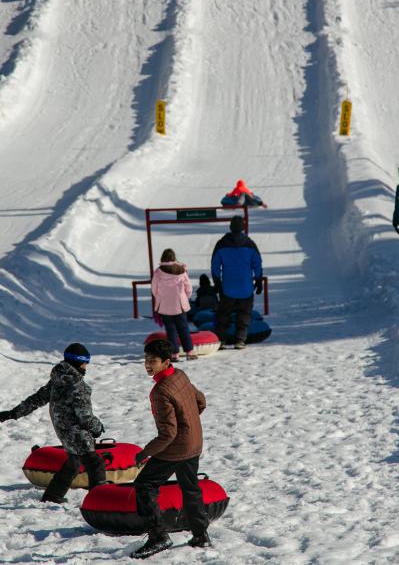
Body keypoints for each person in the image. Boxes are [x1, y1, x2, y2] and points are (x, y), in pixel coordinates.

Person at [0, 343, 106, 504]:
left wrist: (14, 412)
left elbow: (38, 398)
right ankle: (99, 502)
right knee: (95, 465)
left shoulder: (57, 379)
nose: (86, 366)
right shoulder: (77, 386)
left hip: (62, 431)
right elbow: (85, 417)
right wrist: (97, 428)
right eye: (85, 363)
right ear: (78, 362)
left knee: (73, 464)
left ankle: (52, 497)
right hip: (77, 432)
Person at [130, 339, 211, 559]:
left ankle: (158, 536)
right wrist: (189, 424)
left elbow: (168, 434)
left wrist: (145, 453)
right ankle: (201, 535)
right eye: (146, 360)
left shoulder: (161, 391)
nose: (148, 365)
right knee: (190, 488)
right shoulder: (180, 375)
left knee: (145, 485)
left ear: (166, 362)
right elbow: (201, 401)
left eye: (153, 361)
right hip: (194, 442)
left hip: (176, 447)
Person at [210, 215, 263, 349]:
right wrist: (258, 280)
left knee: (223, 314)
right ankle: (240, 340)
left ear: (230, 227)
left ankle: (221, 340)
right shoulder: (250, 244)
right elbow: (257, 264)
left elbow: (215, 265)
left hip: (227, 287)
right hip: (246, 287)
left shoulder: (221, 244)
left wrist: (217, 282)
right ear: (242, 227)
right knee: (244, 314)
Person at [152, 249, 195, 360]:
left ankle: (174, 354)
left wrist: (160, 297)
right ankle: (189, 352)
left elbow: (154, 289)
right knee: (183, 328)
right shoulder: (181, 270)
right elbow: (189, 287)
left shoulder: (158, 271)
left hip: (165, 305)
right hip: (180, 304)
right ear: (174, 257)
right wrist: (185, 297)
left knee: (170, 330)